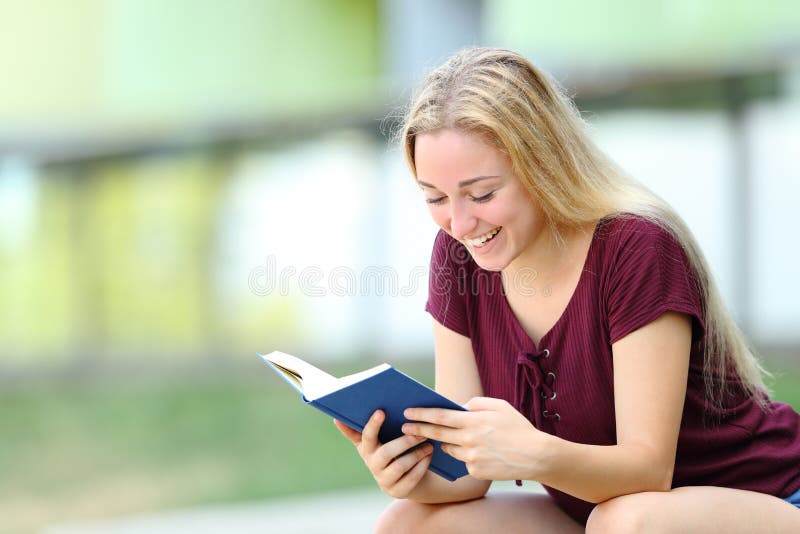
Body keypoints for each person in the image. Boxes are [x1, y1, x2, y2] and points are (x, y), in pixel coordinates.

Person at [334, 47, 800, 532]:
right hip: (604, 516)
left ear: (543, 163)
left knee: (628, 522)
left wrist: (534, 453)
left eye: (482, 194)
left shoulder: (636, 246)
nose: (460, 222)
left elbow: (648, 472)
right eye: (435, 197)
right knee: (408, 523)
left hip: (767, 500)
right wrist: (407, 473)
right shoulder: (458, 256)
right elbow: (465, 475)